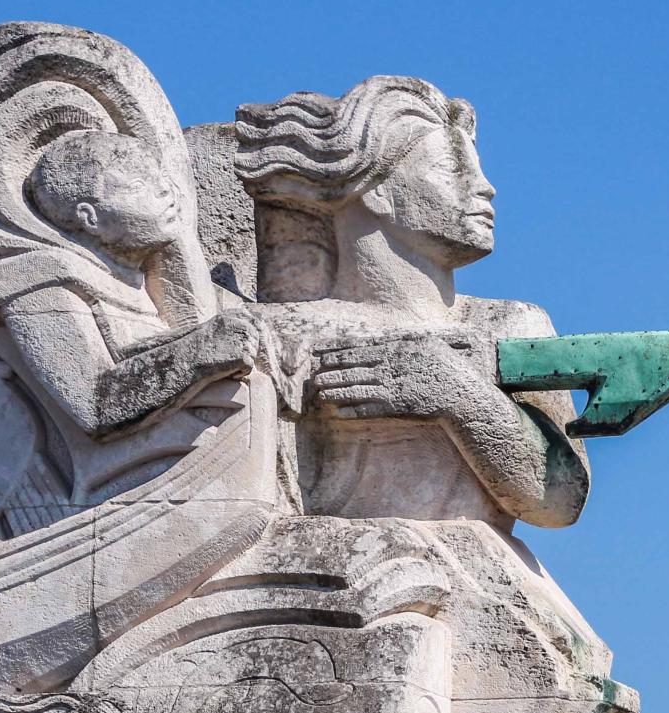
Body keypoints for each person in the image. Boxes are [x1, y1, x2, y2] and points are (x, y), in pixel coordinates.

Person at [234, 77, 588, 530]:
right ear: (376, 190)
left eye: (477, 169)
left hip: (477, 563)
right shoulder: (277, 334)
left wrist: (457, 394)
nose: (484, 187)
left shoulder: (511, 325)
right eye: (449, 169)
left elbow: (559, 502)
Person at [13, 130, 268, 439]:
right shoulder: (44, 286)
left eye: (159, 176)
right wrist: (200, 351)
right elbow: (91, 404)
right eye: (138, 186)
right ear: (90, 218)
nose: (164, 190)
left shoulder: (139, 283)